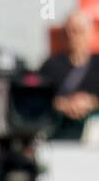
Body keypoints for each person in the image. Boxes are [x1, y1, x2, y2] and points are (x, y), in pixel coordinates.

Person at [38, 10, 99, 140]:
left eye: (78, 31)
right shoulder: (51, 65)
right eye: (68, 31)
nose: (72, 36)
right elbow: (37, 98)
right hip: (57, 133)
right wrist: (62, 104)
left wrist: (92, 102)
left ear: (90, 33)